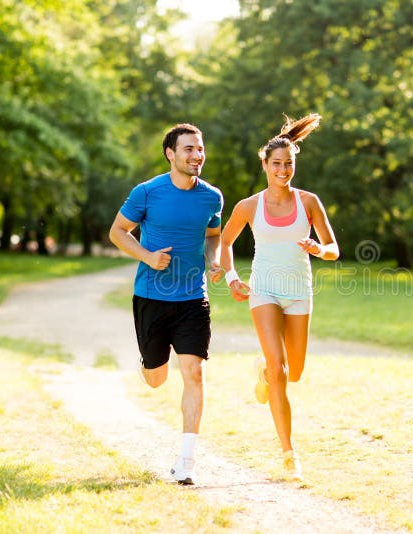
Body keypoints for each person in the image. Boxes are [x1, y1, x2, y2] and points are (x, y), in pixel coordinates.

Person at [219, 113, 339, 481]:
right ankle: (289, 453)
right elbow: (225, 242)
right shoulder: (249, 206)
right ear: (265, 165)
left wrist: (318, 249)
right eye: (277, 164)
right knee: (281, 370)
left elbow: (334, 248)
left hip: (299, 292)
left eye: (288, 164)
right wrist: (232, 277)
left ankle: (264, 369)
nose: (283, 169)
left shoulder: (309, 202)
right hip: (264, 290)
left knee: (296, 371)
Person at [109, 123, 223, 486]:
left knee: (194, 373)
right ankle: (148, 361)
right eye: (188, 149)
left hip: (193, 298)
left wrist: (215, 259)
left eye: (200, 148)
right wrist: (147, 256)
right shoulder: (147, 192)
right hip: (151, 298)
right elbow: (117, 232)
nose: (197, 155)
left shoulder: (212, 197)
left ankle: (186, 460)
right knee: (156, 379)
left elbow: (213, 236)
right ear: (170, 154)